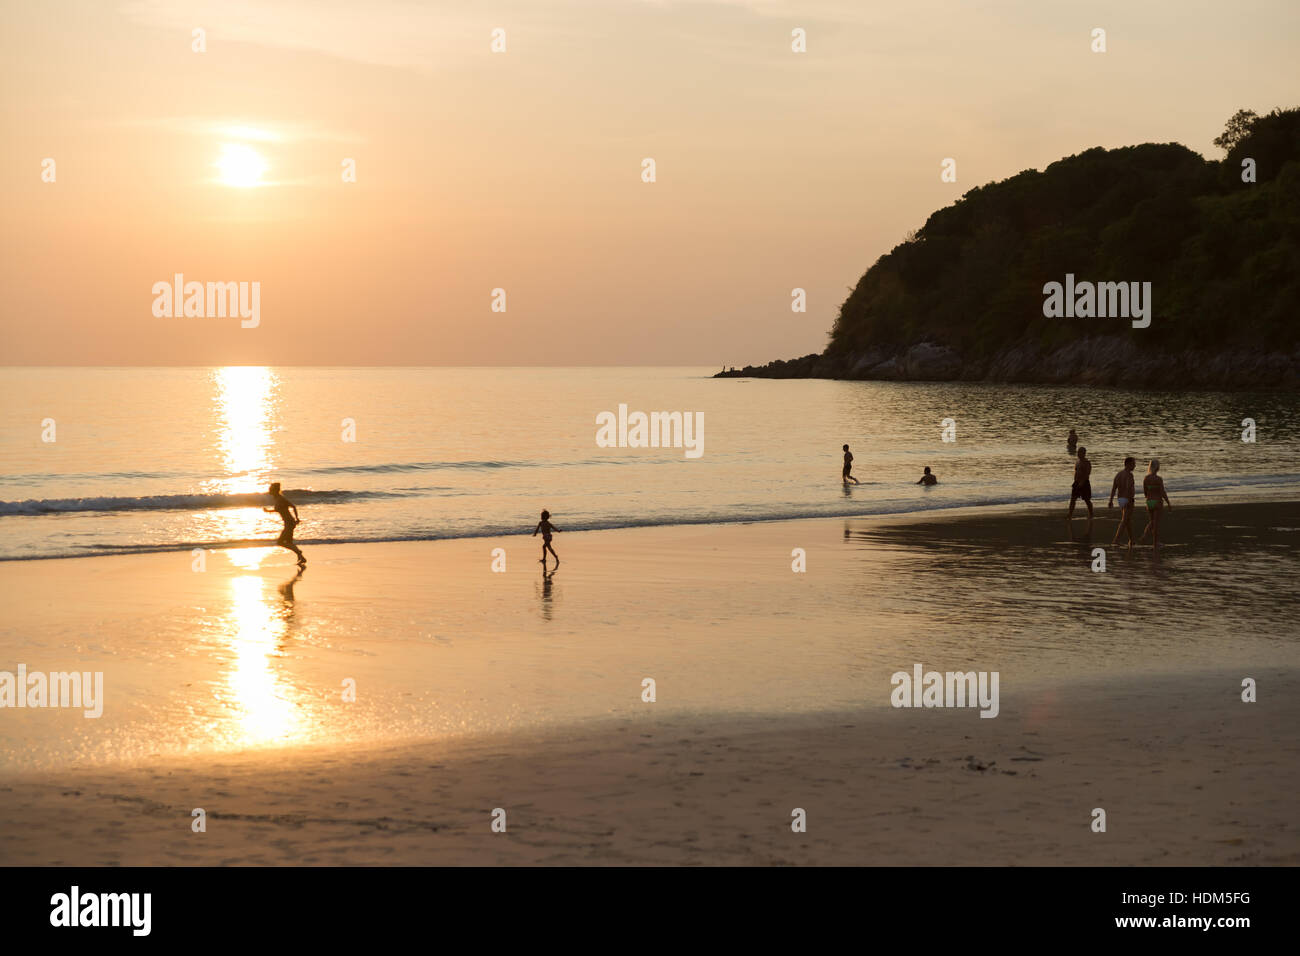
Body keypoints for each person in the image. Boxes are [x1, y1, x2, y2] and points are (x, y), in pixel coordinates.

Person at [263, 482, 305, 564]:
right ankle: (301, 558)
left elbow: (293, 506)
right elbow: (280, 509)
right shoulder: (277, 498)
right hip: (288, 522)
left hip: (290, 522)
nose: (269, 490)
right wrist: (268, 511)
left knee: (280, 542)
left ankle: (299, 552)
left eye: (270, 489)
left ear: (275, 490)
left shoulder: (281, 498)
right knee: (289, 542)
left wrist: (297, 518)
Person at [1138, 459, 1173, 552]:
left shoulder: (1146, 478)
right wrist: (1168, 502)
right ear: (1157, 467)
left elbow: (1145, 492)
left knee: (1152, 522)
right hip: (1157, 502)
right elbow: (1162, 492)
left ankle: (1147, 536)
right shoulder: (1158, 479)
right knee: (1156, 524)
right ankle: (1154, 542)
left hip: (1149, 502)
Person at [1107, 456, 1138, 551]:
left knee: (1127, 521)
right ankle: (1116, 540)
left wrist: (1111, 500)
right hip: (1127, 498)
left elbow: (1113, 488)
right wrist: (1129, 499)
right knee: (1124, 520)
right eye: (1133, 464)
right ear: (1128, 464)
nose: (1135, 466)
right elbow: (1129, 487)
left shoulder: (1119, 474)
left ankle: (1131, 540)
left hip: (1120, 499)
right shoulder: (1129, 475)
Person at [1066, 446, 1093, 535]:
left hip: (1084, 483)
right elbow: (1076, 472)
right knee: (1073, 499)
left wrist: (1082, 482)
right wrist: (1075, 482)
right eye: (1078, 452)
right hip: (1076, 482)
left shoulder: (1087, 462)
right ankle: (1069, 515)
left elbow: (1087, 473)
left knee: (1087, 500)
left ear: (1084, 453)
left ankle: (1091, 514)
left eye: (1080, 452)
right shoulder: (1077, 462)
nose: (1078, 454)